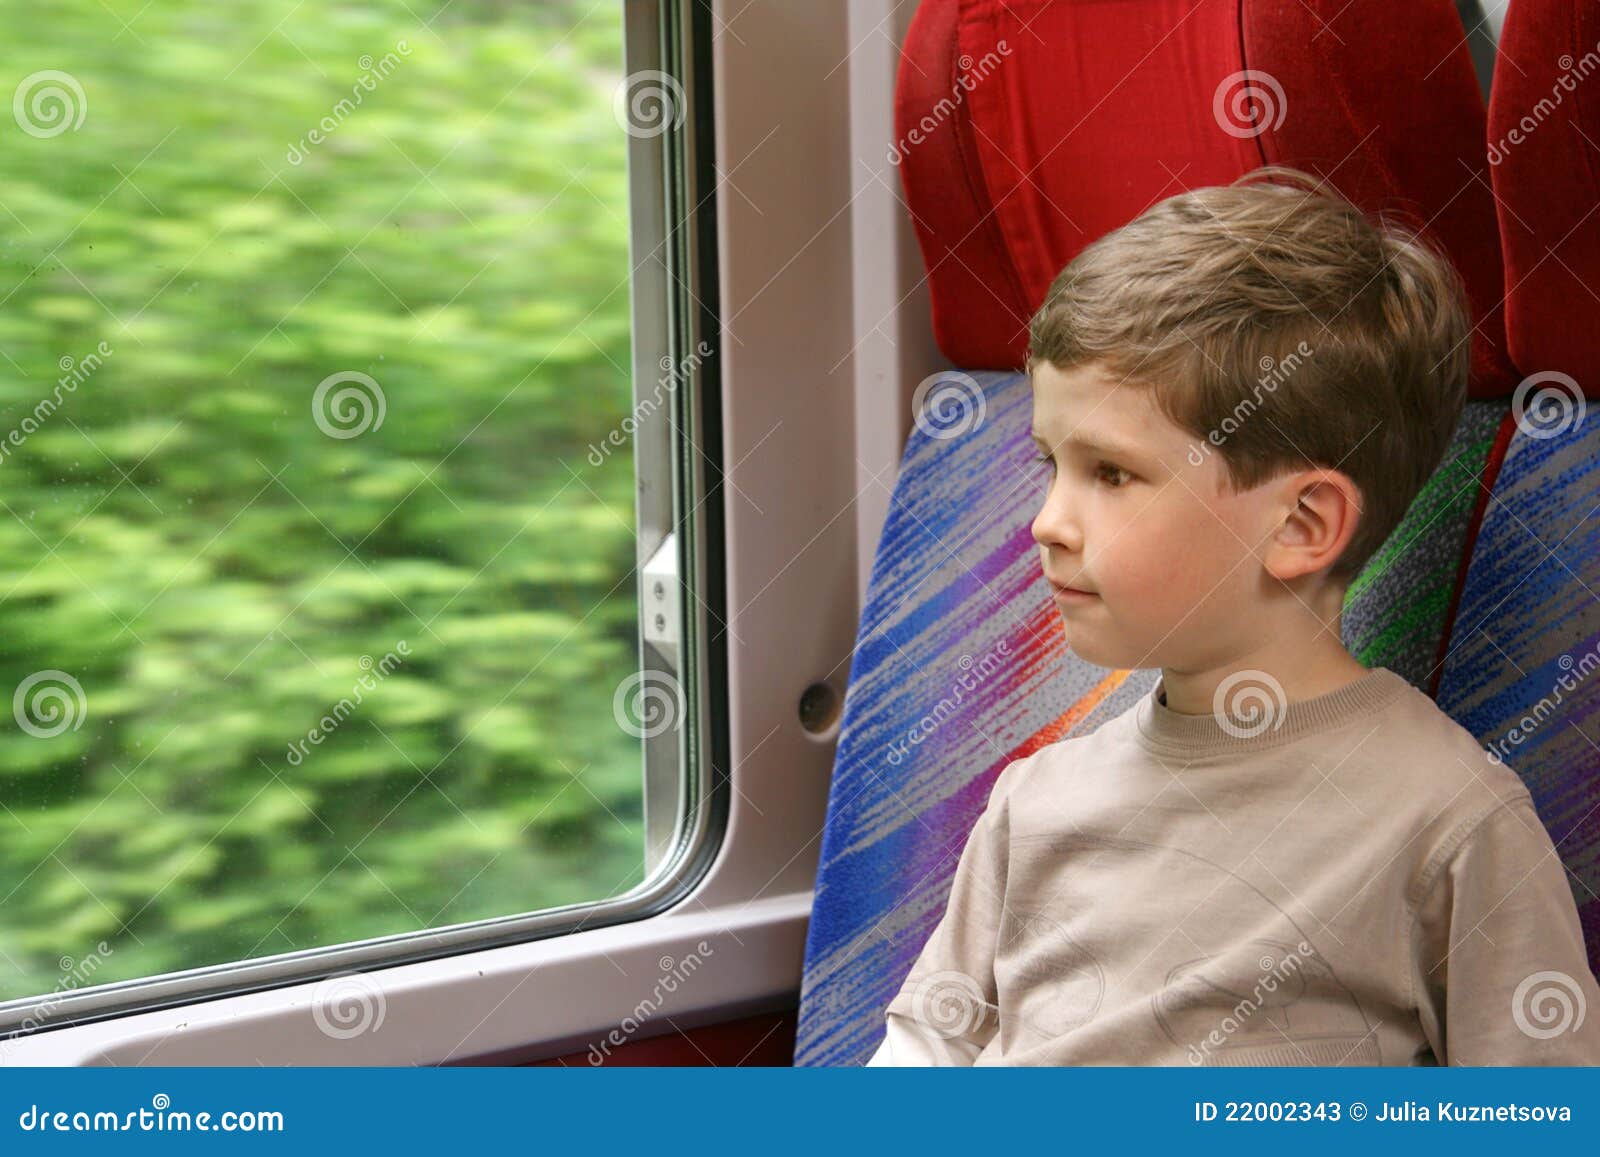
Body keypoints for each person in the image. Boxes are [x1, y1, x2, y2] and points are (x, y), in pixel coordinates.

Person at [869, 167, 1600, 1065]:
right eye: (1048, 465)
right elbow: (921, 1060)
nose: (1046, 522)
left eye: (1110, 474)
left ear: (1301, 525)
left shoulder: (1448, 821)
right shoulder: (1035, 801)